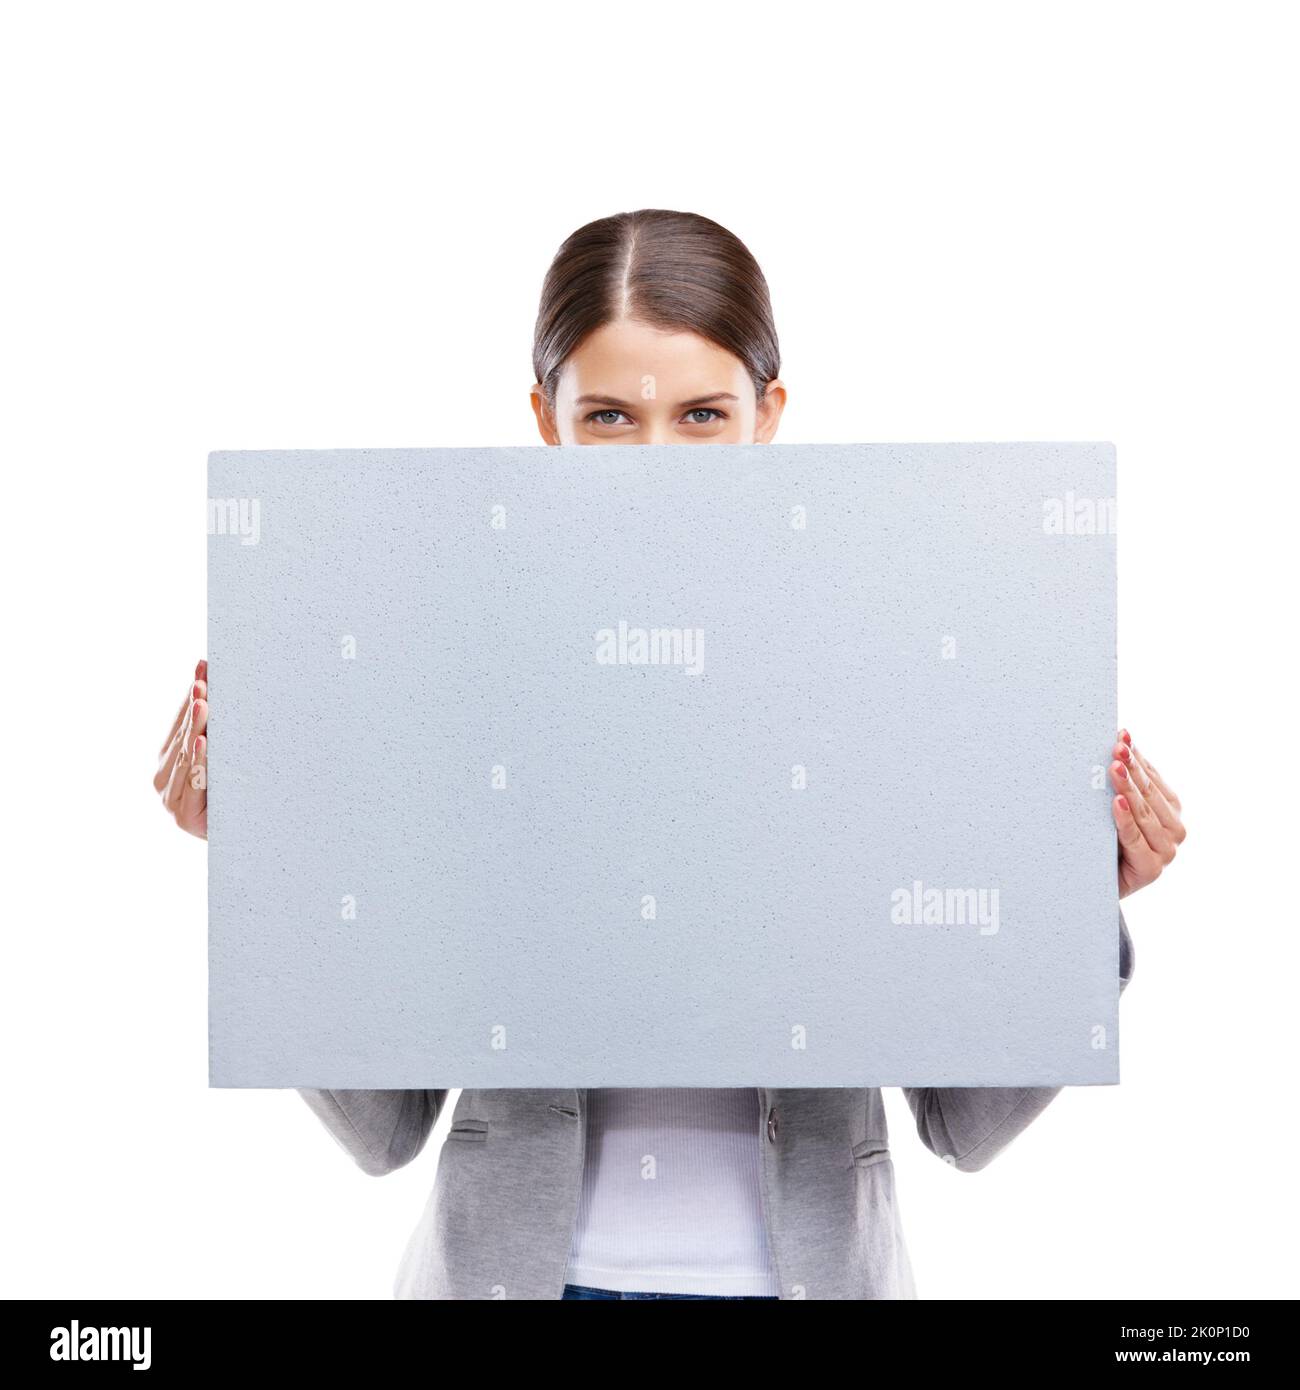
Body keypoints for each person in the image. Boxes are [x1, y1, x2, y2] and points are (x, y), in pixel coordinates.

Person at [155, 209, 1185, 1300]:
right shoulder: (453, 679)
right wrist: (264, 860)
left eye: (701, 413)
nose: (656, 463)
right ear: (545, 422)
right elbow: (380, 1129)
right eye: (608, 416)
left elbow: (965, 1125)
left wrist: (1072, 905)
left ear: (765, 415)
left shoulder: (879, 669)